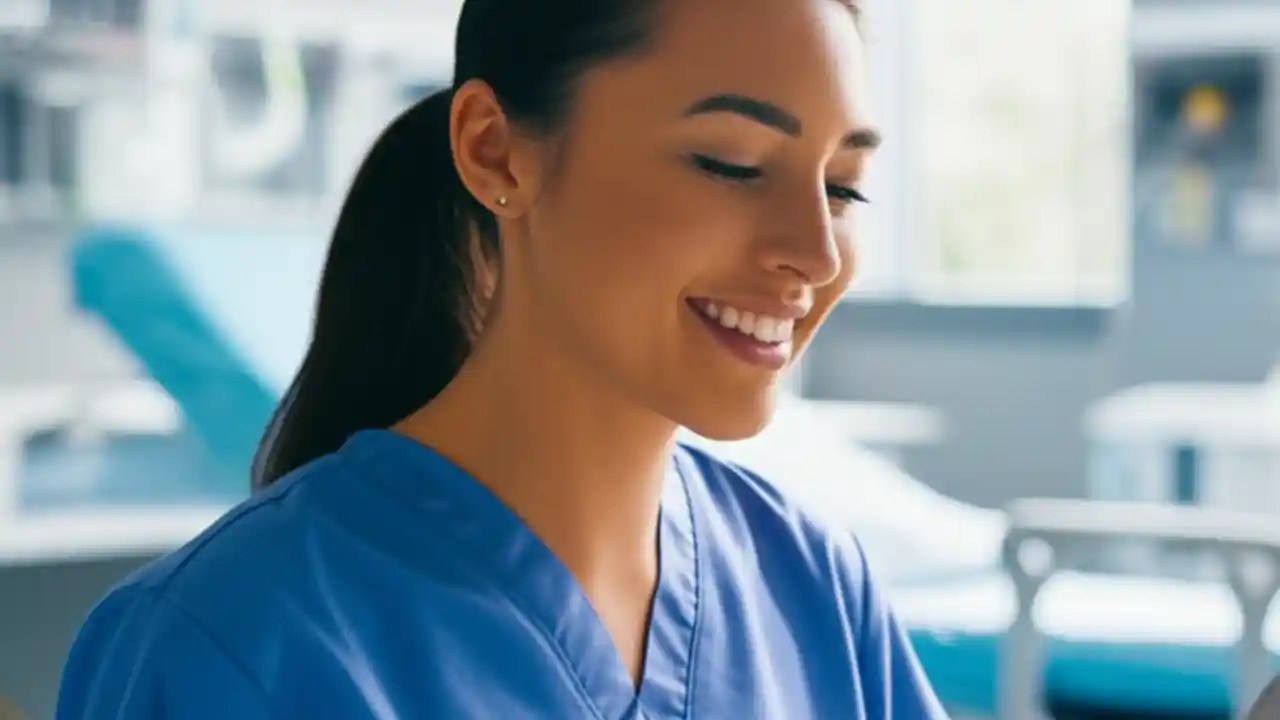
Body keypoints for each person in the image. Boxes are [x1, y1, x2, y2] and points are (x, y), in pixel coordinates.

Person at [56, 0, 947, 717]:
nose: (817, 253)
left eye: (842, 187)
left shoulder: (816, 592)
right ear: (494, 151)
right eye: (730, 163)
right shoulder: (236, 644)